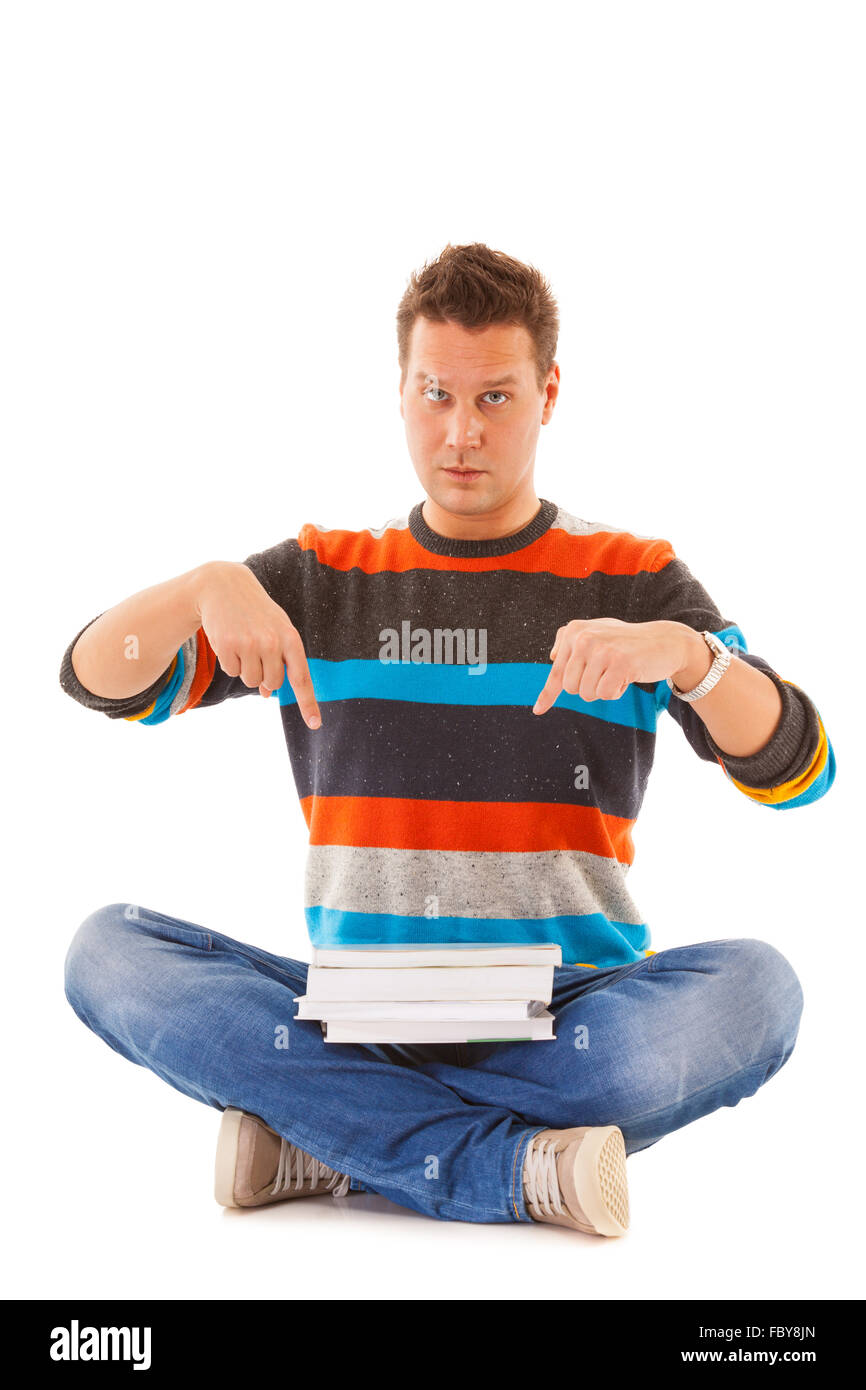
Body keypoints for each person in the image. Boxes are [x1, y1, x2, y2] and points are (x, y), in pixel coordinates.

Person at [60, 242, 835, 1238]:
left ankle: (326, 1140)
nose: (459, 431)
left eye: (495, 399)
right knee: (105, 952)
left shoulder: (631, 578)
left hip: (567, 1013)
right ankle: (508, 1168)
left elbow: (797, 769)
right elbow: (95, 675)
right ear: (398, 391)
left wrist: (686, 656)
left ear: (548, 393)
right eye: (433, 394)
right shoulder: (320, 576)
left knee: (762, 989)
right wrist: (204, 583)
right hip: (357, 1015)